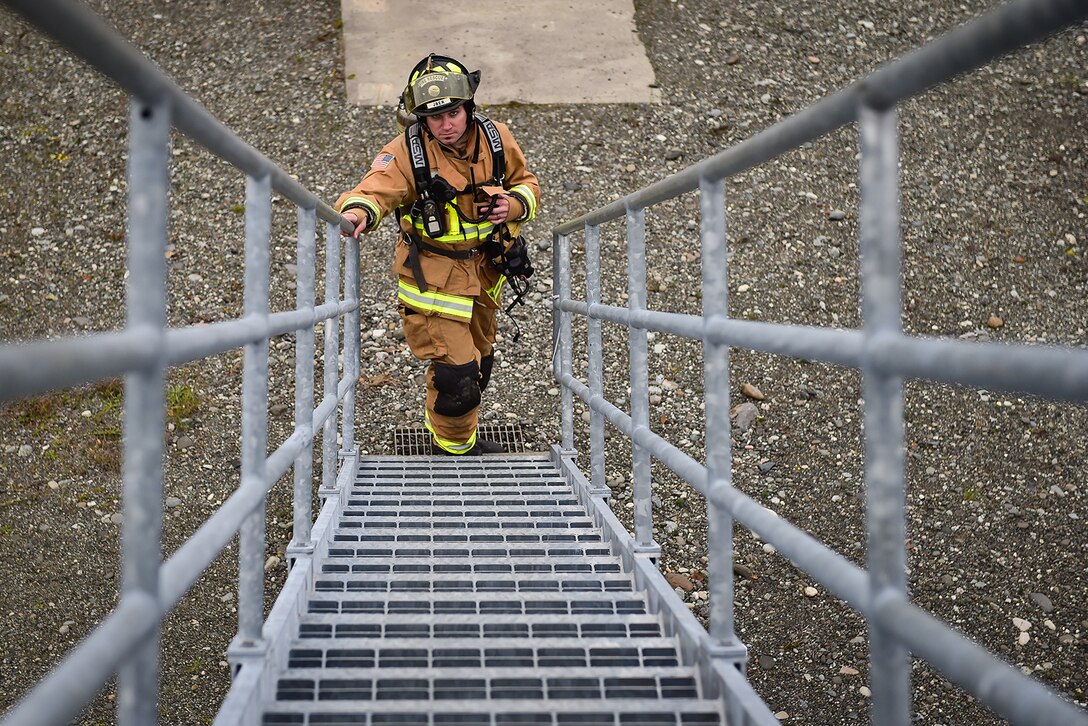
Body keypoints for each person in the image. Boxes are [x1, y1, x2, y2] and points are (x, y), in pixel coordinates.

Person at [334, 53, 541, 455]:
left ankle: (456, 436)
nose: (446, 125)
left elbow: (527, 183)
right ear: (419, 118)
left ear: (468, 107)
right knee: (456, 375)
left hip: (485, 273)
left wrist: (514, 204)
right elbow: (375, 188)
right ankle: (454, 449)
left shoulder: (498, 138)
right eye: (433, 117)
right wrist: (357, 211)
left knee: (480, 363)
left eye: (453, 113)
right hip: (432, 276)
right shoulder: (405, 153)